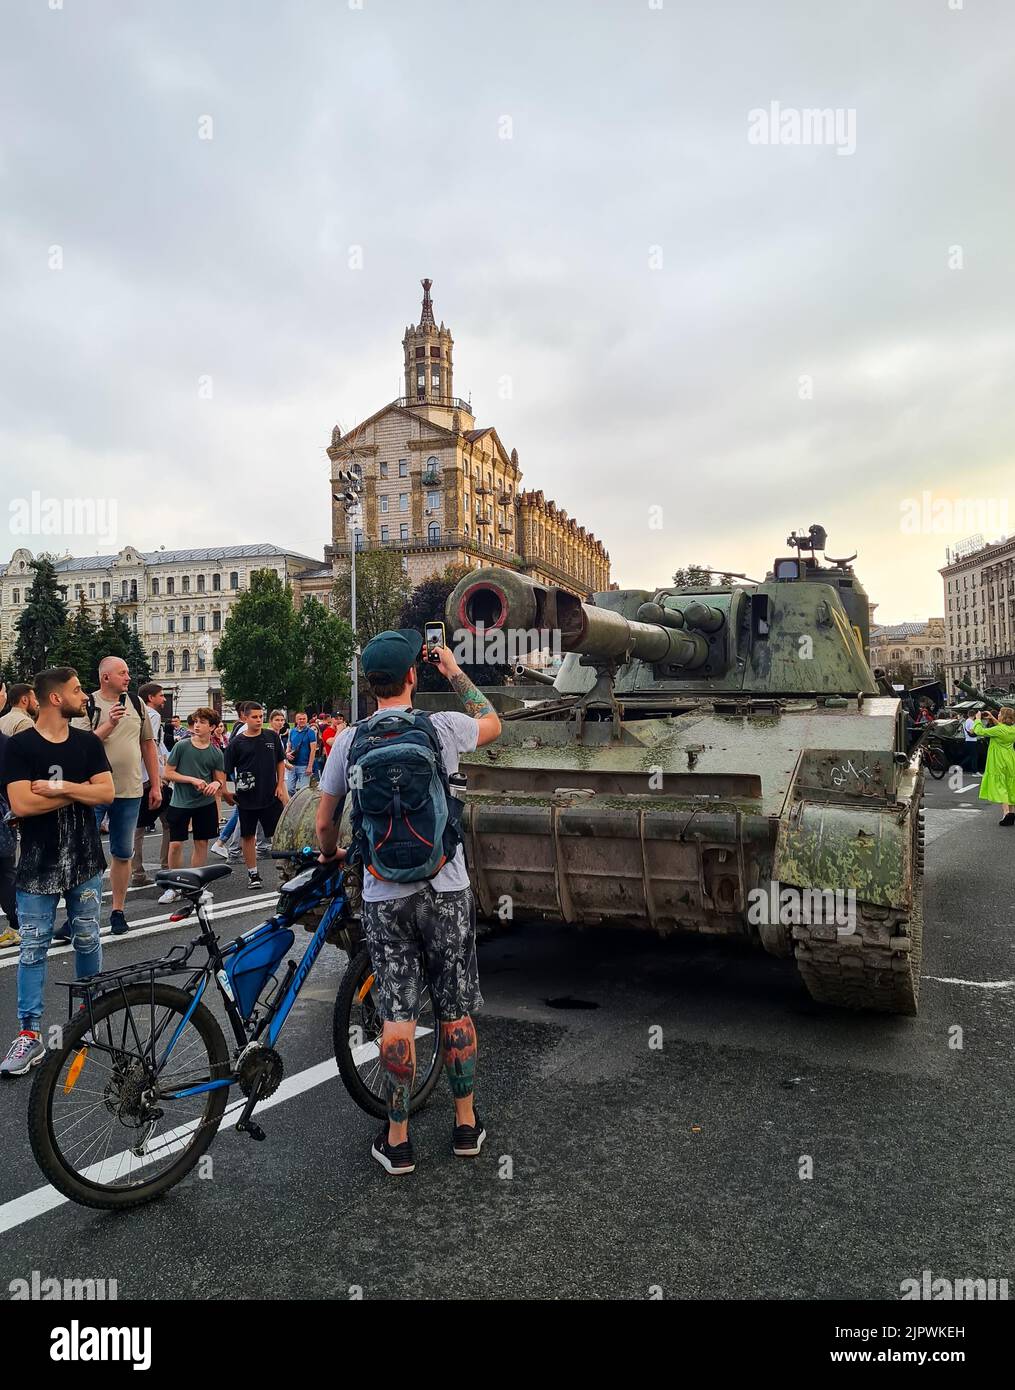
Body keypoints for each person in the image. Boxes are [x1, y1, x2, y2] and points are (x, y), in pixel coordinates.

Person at [316, 629, 501, 1176]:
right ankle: (465, 1126)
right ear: (412, 676)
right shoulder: (441, 728)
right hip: (446, 886)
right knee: (455, 1007)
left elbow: (325, 821)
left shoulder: (349, 741)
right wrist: (453, 669)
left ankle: (398, 1140)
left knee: (396, 1015)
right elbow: (493, 722)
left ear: (368, 684)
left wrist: (333, 853)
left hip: (384, 891)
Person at [0, 667, 113, 1077]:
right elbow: (22, 805)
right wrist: (79, 794)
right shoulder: (20, 747)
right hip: (36, 863)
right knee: (32, 949)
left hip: (84, 861)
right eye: (77, 690)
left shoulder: (85, 743)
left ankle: (89, 1016)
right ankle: (30, 1034)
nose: (84, 696)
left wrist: (59, 788)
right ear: (54, 699)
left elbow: (107, 792)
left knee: (87, 937)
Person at [59, 657, 159, 939]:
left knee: (122, 852)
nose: (128, 677)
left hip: (129, 791)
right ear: (106, 677)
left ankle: (118, 910)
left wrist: (156, 784)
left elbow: (147, 745)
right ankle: (77, 915)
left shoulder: (137, 704)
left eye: (128, 672)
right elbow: (78, 746)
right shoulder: (86, 703)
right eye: (122, 673)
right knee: (84, 852)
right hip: (92, 791)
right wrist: (109, 724)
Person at [158, 708, 228, 904]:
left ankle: (196, 885)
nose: (197, 725)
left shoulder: (216, 753)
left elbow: (220, 779)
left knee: (201, 844)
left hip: (204, 804)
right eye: (195, 721)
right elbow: (167, 773)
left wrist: (216, 784)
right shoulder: (182, 746)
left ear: (212, 727)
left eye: (202, 722)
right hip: (180, 803)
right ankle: (174, 886)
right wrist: (191, 779)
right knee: (176, 845)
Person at [223, 703, 287, 890]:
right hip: (247, 797)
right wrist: (227, 791)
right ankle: (253, 873)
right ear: (245, 718)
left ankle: (286, 871)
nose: (259, 720)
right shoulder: (237, 743)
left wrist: (280, 784)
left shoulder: (271, 737)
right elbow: (225, 770)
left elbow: (280, 761)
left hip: (270, 794)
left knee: (279, 834)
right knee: (248, 835)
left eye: (261, 717)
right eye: (254, 717)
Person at [131, 681, 171, 886]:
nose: (164, 699)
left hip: (138, 777)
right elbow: (151, 744)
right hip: (151, 778)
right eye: (161, 695)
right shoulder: (152, 715)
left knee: (137, 826)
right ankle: (166, 868)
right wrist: (160, 776)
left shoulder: (135, 712)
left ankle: (137, 871)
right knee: (168, 822)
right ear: (150, 698)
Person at [972, 707, 1015, 826]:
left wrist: (978, 719)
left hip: (998, 759)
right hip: (1010, 759)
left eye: (1000, 714)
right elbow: (1002, 728)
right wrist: (993, 718)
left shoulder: (998, 730)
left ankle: (1006, 812)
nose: (999, 715)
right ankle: (1012, 811)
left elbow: (979, 731)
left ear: (1004, 717)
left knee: (1000, 786)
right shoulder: (1012, 729)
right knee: (1010, 785)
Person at [0, 717, 20, 949]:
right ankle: (16, 924)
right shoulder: (6, 743)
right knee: (6, 872)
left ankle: (16, 924)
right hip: (3, 811)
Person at [284, 711, 316, 795]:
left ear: (307, 720)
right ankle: (295, 803)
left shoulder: (311, 732)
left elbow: (313, 750)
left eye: (304, 719)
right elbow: (289, 746)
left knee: (303, 791)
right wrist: (287, 754)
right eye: (300, 719)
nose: (302, 720)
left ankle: (300, 806)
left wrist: (310, 766)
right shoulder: (292, 732)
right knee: (289, 788)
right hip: (293, 765)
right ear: (296, 720)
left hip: (304, 765)